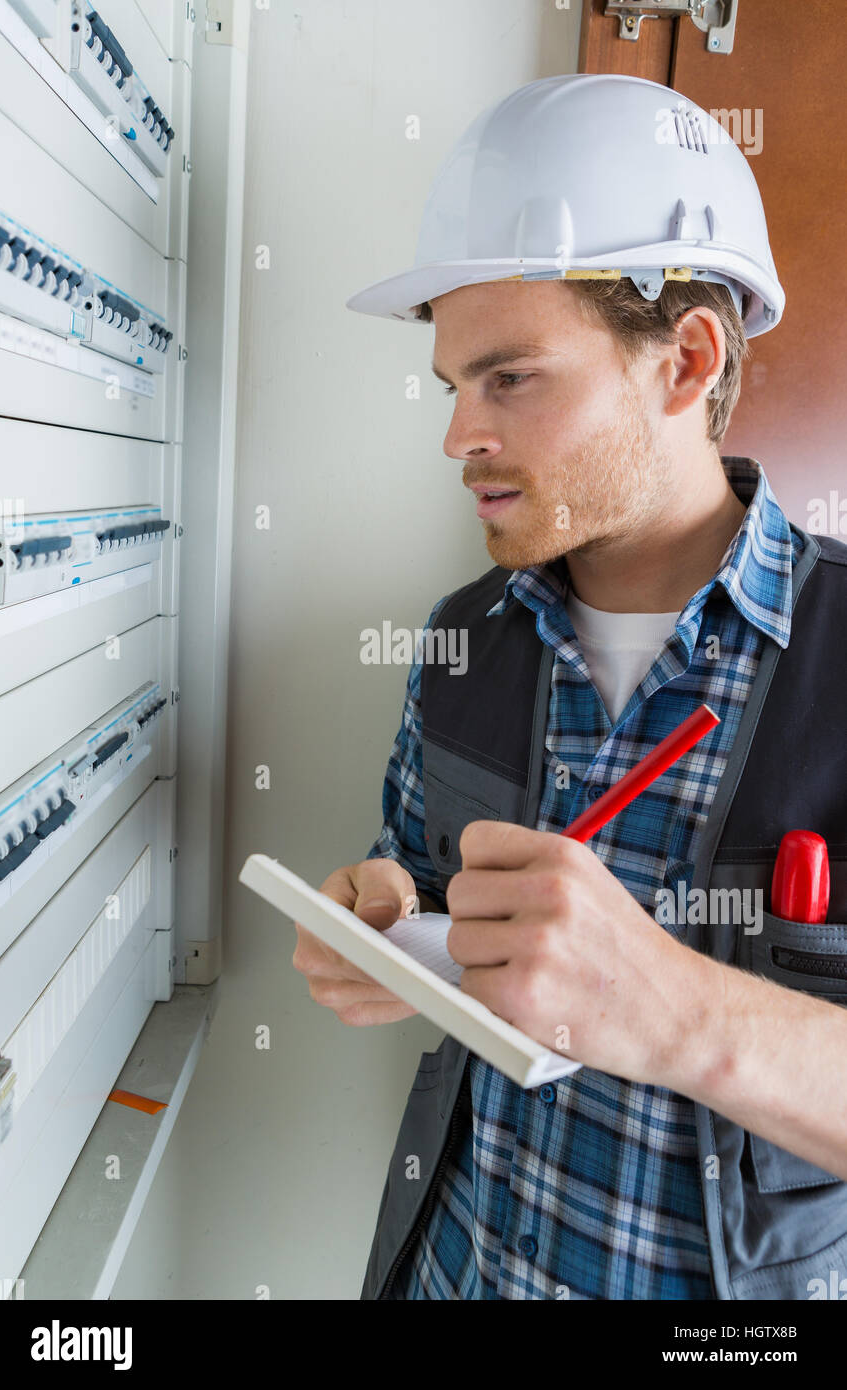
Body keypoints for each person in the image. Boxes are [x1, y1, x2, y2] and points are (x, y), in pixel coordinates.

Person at [293, 75, 847, 1299]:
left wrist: (677, 1013)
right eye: (452, 388)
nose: (454, 437)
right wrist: (390, 913)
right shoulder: (462, 639)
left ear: (684, 360)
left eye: (510, 378)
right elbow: (427, 880)